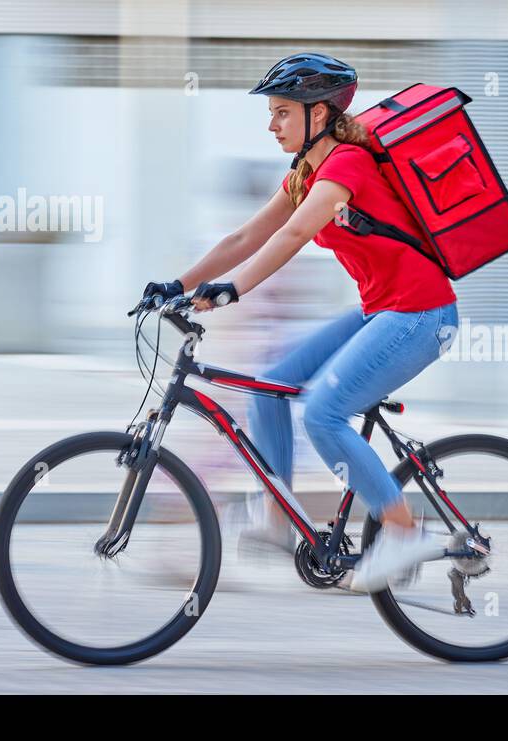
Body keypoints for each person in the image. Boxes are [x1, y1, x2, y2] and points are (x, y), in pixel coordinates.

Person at [139, 53, 458, 593]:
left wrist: (232, 289)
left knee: (323, 413)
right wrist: (179, 283)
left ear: (319, 114)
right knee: (267, 389)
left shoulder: (348, 166)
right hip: (379, 308)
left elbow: (293, 237)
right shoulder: (305, 173)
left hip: (420, 313)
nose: (271, 124)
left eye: (282, 112)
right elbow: (246, 237)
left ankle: (404, 532)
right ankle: (278, 517)